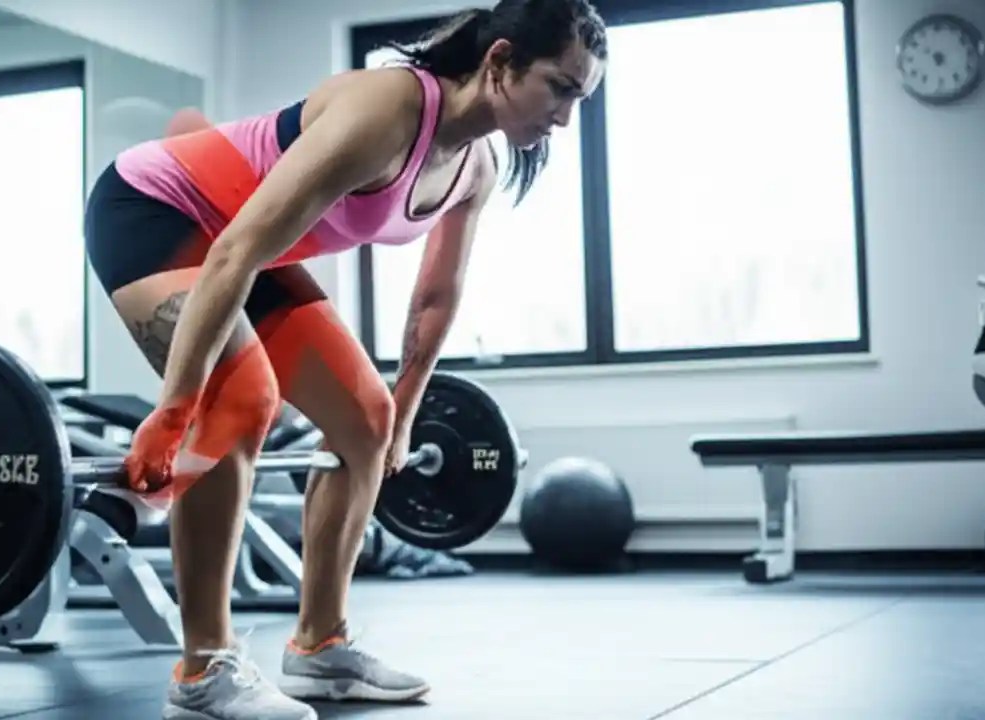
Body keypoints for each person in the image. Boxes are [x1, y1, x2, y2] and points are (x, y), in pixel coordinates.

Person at [83, 1, 606, 718]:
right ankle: (202, 669)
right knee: (241, 400)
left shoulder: (475, 165)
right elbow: (236, 249)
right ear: (501, 61)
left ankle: (319, 649)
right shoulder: (387, 109)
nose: (566, 118)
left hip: (245, 247)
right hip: (156, 210)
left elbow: (434, 297)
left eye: (582, 97)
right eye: (561, 88)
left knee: (364, 416)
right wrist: (175, 411)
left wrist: (405, 413)